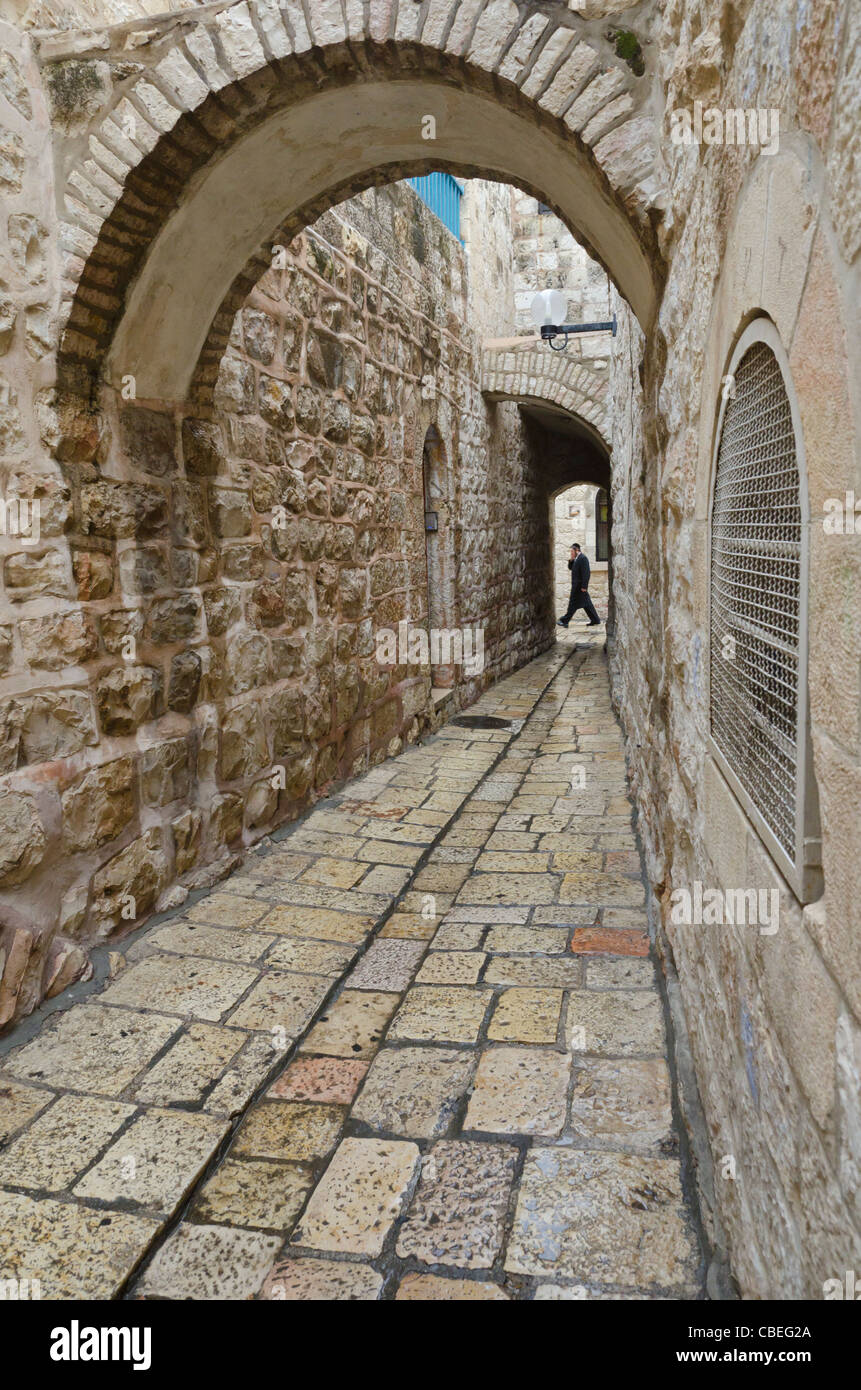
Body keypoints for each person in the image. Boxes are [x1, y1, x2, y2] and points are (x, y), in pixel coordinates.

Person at [558, 543, 601, 627]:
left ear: (577, 550)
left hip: (579, 587)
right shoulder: (576, 558)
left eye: (572, 551)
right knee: (587, 604)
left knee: (572, 604)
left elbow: (586, 573)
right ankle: (595, 619)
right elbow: (571, 568)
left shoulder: (583, 558)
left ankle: (565, 621)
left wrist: (584, 586)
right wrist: (571, 559)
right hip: (576, 586)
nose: (571, 553)